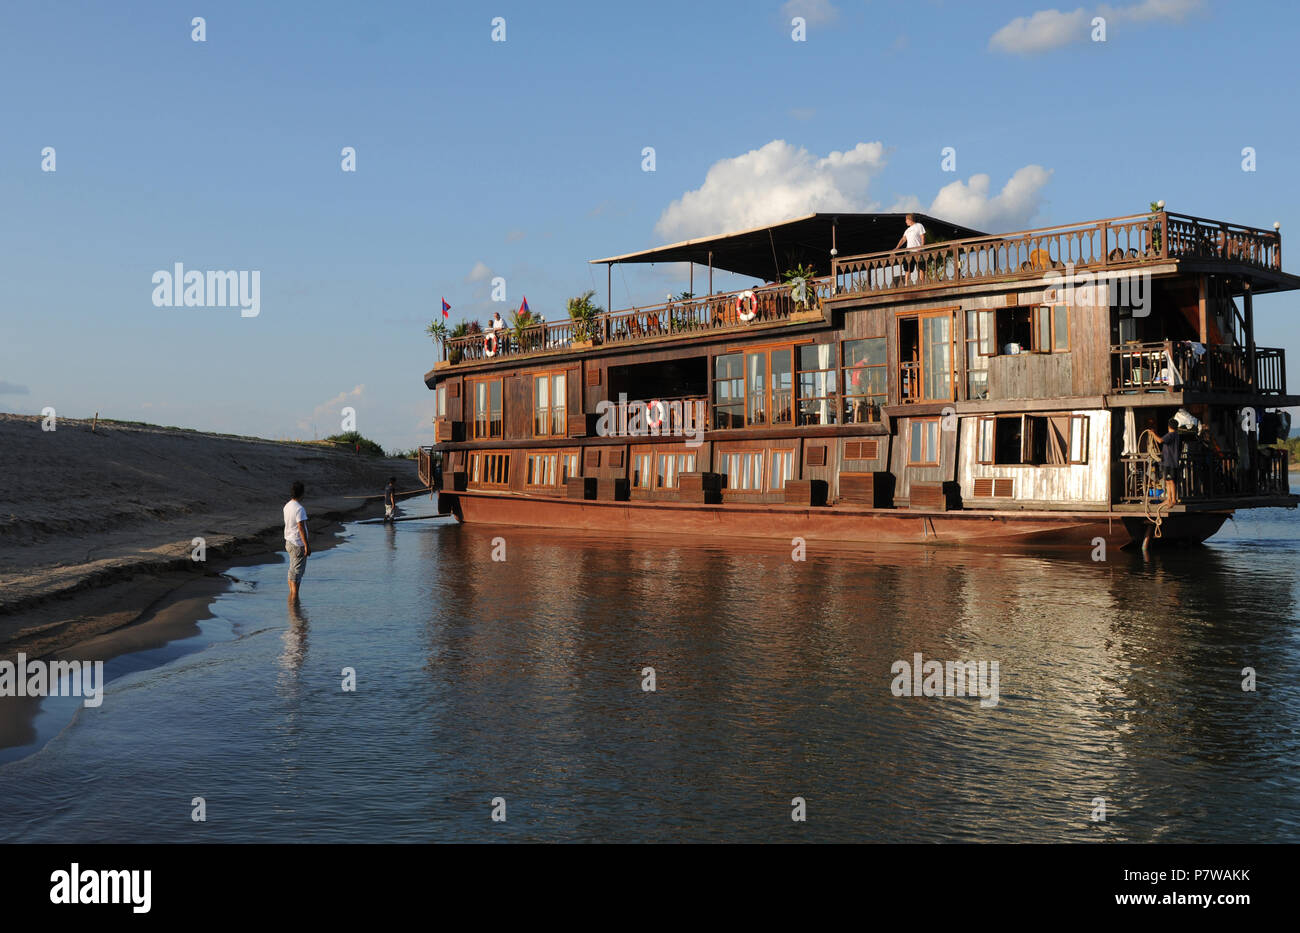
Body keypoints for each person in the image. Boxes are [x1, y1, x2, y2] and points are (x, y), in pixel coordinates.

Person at [283, 481, 309, 602]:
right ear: (301, 493)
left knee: (292, 570)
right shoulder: (299, 509)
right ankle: (294, 600)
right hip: (297, 543)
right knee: (297, 573)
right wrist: (306, 545)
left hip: (288, 541)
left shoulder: (287, 506)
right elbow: (301, 527)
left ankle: (292, 598)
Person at [894, 213, 927, 282]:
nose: (905, 221)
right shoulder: (907, 230)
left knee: (921, 268)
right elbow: (903, 239)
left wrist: (921, 247)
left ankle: (922, 283)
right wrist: (897, 248)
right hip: (909, 251)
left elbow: (923, 237)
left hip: (919, 251)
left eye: (906, 220)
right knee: (907, 268)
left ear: (910, 219)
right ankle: (906, 284)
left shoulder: (919, 226)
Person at [1159, 418, 1180, 505]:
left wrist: (1152, 434)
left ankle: (1173, 500)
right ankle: (1169, 499)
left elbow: (1160, 440)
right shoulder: (1176, 435)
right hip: (1170, 461)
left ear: (1169, 426)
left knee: (1171, 481)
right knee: (1168, 481)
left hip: (1169, 462)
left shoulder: (1171, 435)